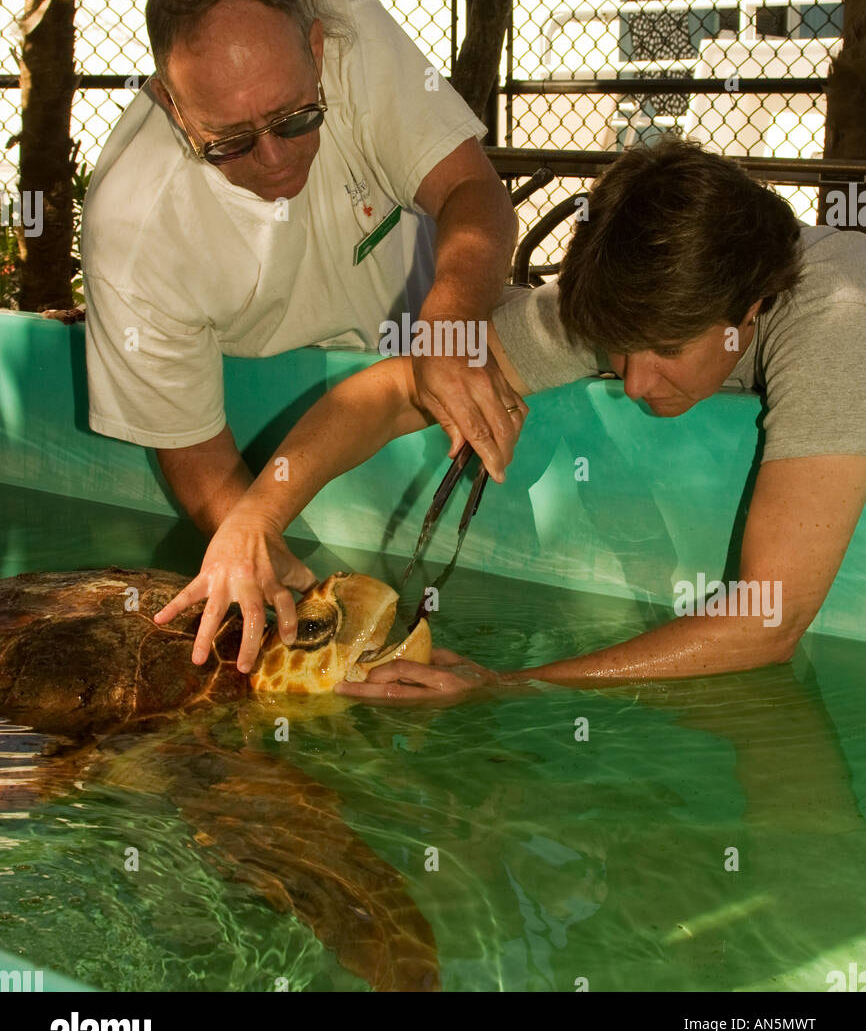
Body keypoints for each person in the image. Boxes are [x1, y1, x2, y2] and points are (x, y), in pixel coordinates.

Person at [153, 137, 866, 690]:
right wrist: (253, 521)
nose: (637, 383)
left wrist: (513, 686)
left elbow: (770, 623)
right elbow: (398, 390)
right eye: (617, 350)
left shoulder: (839, 321)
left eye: (669, 349)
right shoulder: (629, 298)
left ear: (752, 306)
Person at [81, 0, 517, 554]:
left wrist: (451, 324)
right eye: (229, 140)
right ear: (174, 109)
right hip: (265, 398)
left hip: (427, 353)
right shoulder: (132, 225)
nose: (274, 158)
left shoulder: (350, 36)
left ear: (317, 52)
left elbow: (472, 189)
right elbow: (192, 443)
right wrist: (277, 572)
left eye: (294, 118)